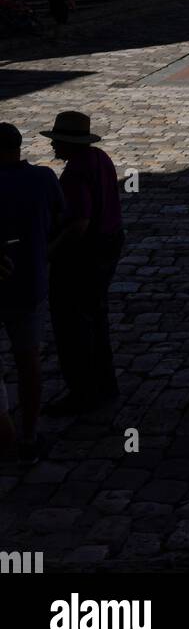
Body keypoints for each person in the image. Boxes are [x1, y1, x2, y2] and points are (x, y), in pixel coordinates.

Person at [41, 112, 125, 415]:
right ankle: (104, 384)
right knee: (96, 317)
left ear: (66, 143)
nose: (53, 147)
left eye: (56, 142)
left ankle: (82, 392)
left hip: (84, 256)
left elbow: (79, 224)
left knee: (72, 325)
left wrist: (48, 253)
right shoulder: (99, 157)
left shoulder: (75, 172)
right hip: (109, 244)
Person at [0, 124, 64, 463]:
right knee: (29, 362)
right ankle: (29, 434)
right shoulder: (43, 179)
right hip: (29, 284)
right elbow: (60, 219)